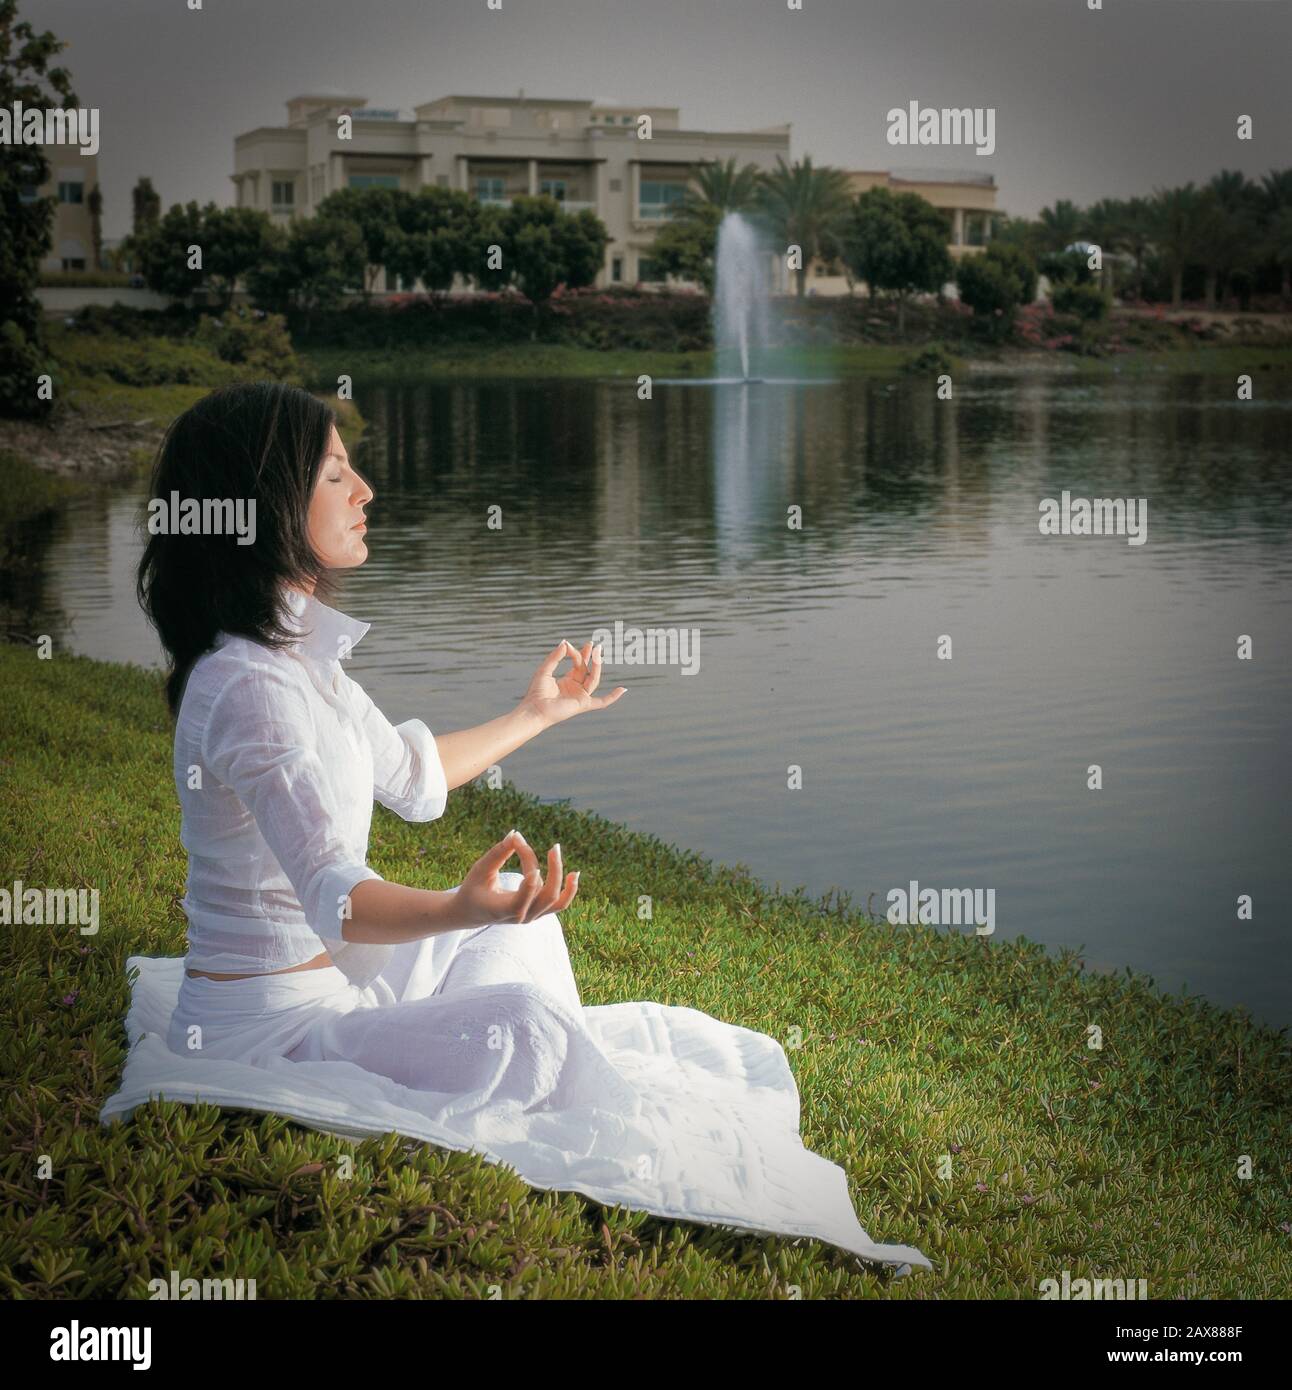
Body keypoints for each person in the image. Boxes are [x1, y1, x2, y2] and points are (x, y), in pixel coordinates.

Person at [135, 381, 628, 1087]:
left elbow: (411, 774)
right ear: (266, 504)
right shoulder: (250, 685)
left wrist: (537, 713)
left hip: (340, 984)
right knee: (524, 1029)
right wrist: (457, 906)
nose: (364, 490)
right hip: (270, 1030)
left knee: (525, 920)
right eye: (335, 476)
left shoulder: (300, 658)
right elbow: (337, 896)